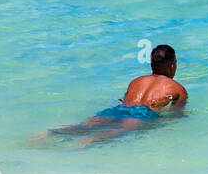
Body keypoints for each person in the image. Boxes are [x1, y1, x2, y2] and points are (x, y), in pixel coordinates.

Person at [50, 44, 188, 141]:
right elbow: (175, 115)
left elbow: (124, 100)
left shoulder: (136, 81)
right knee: (118, 131)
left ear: (152, 64)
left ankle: (50, 134)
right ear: (172, 65)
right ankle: (84, 143)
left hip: (121, 109)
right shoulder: (177, 89)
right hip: (142, 114)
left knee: (83, 126)